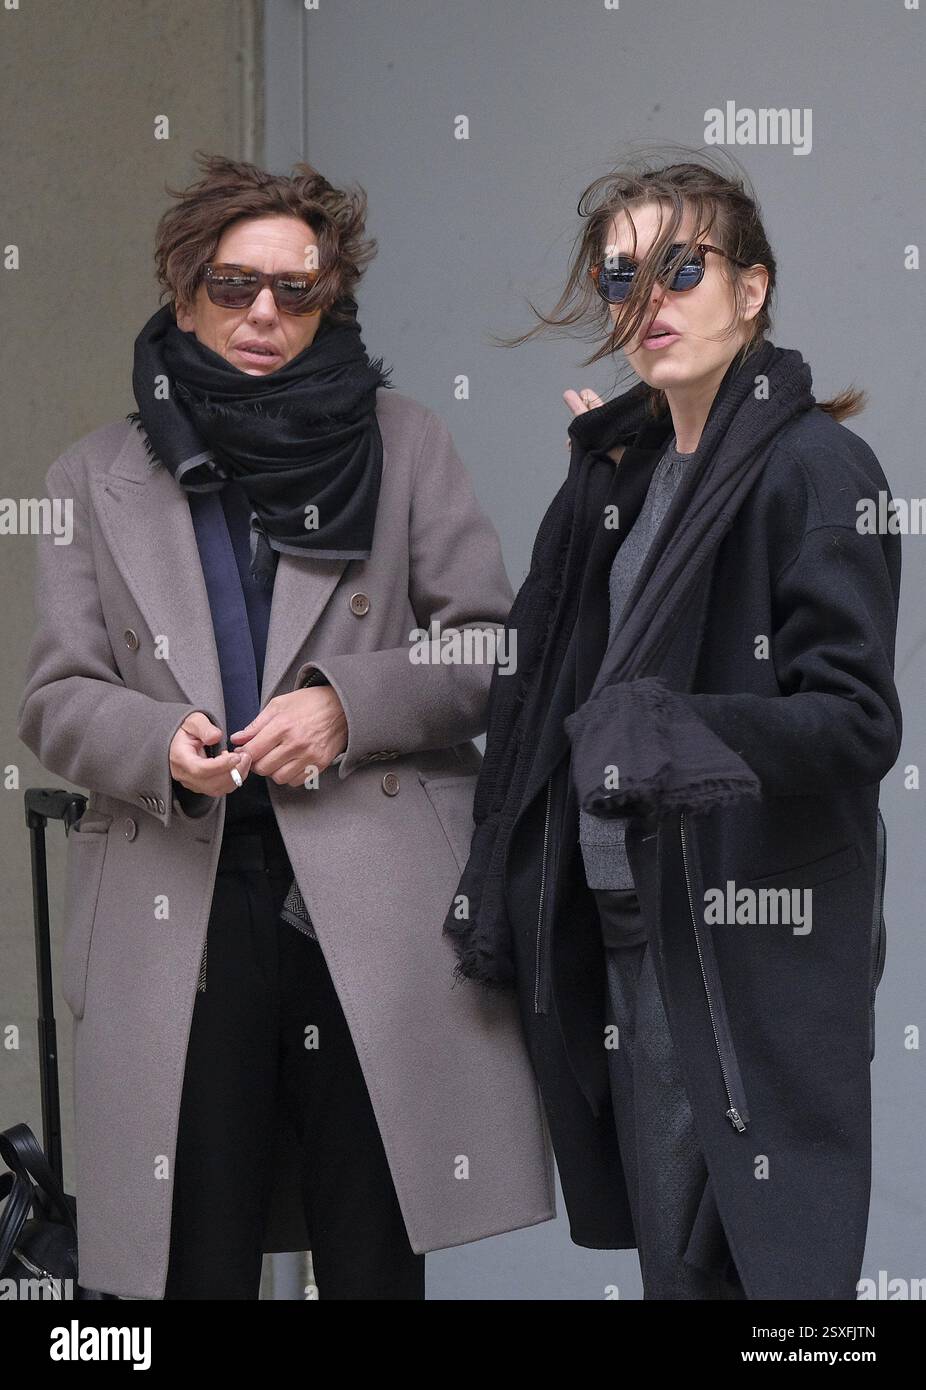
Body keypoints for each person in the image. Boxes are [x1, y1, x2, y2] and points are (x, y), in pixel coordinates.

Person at [17, 153, 554, 1301]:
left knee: (368, 1241)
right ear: (180, 288)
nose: (262, 313)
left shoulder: (403, 443)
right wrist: (154, 741)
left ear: (329, 298)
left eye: (294, 291)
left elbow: (492, 650)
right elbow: (52, 698)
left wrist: (347, 708)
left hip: (367, 900)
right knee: (189, 1245)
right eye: (232, 285)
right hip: (178, 890)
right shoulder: (89, 475)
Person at [444, 150, 901, 1300]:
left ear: (751, 289)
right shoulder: (629, 474)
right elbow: (557, 680)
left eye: (680, 270)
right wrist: (593, 479)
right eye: (619, 280)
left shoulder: (815, 466)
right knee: (680, 1283)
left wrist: (675, 729)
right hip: (632, 938)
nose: (647, 305)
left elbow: (853, 721)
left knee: (775, 1290)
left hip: (748, 942)